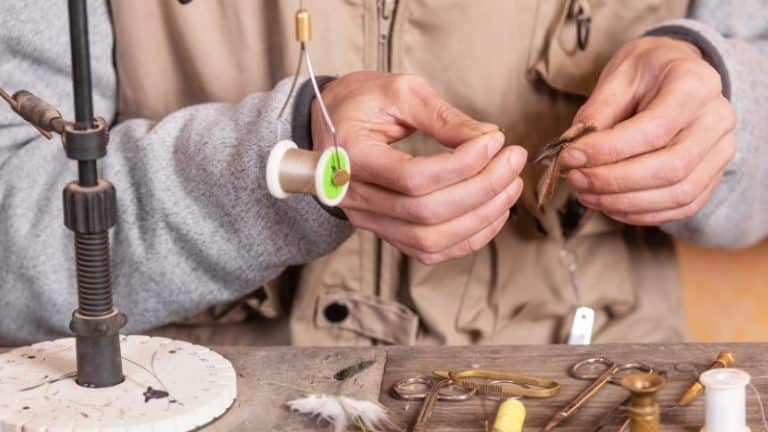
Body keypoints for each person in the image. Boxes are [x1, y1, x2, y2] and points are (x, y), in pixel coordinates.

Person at [0, 0, 765, 346]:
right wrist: (283, 164)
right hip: (191, 418)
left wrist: (720, 108)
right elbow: (13, 239)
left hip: (583, 396)